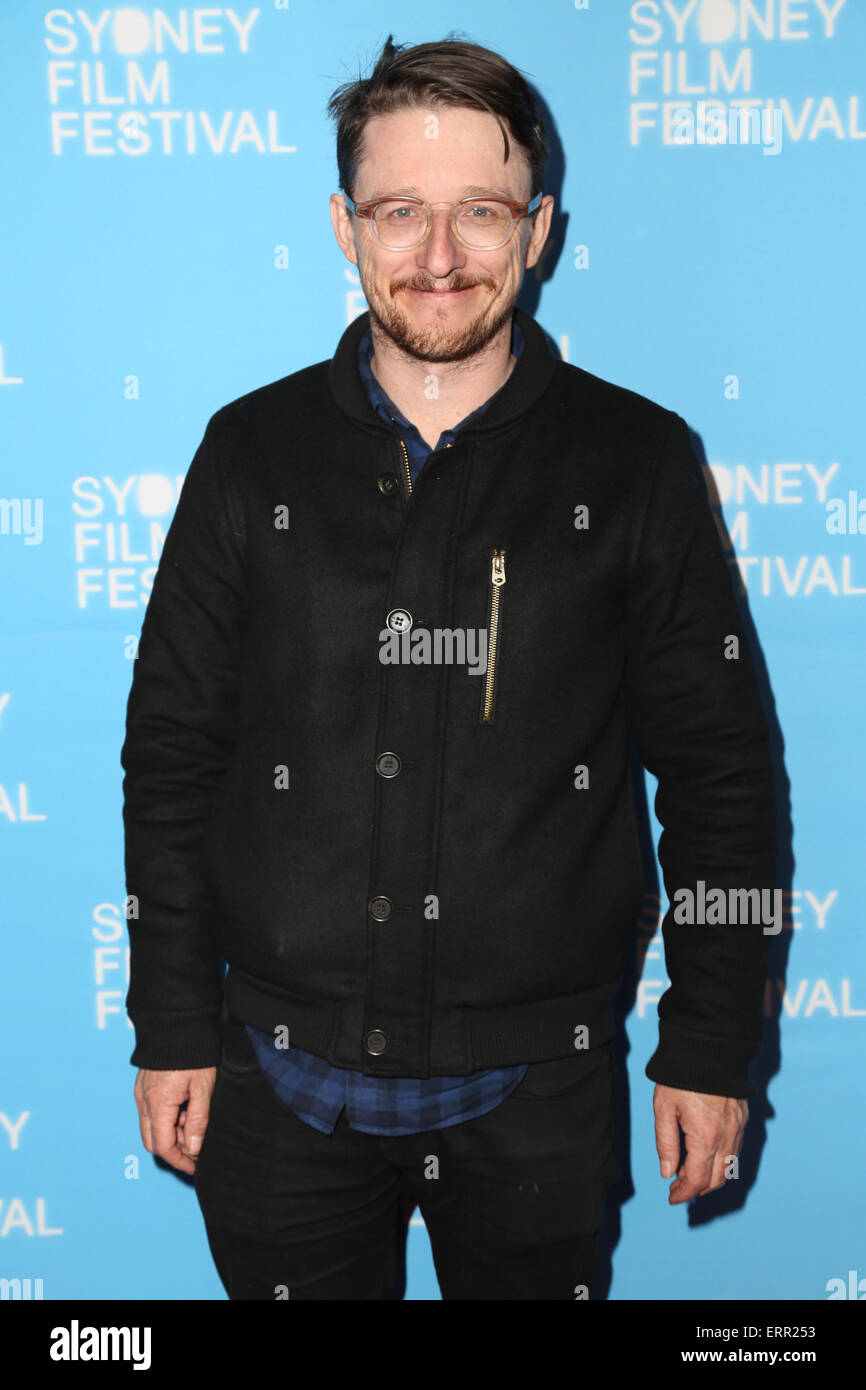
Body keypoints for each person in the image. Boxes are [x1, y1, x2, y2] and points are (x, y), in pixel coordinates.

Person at [121, 34, 777, 1301]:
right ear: (342, 225)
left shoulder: (635, 464)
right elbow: (173, 759)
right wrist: (168, 1024)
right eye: (398, 213)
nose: (436, 257)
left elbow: (719, 777)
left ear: (535, 230)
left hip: (540, 1091)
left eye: (476, 212)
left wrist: (707, 1042)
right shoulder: (246, 457)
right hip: (275, 1080)